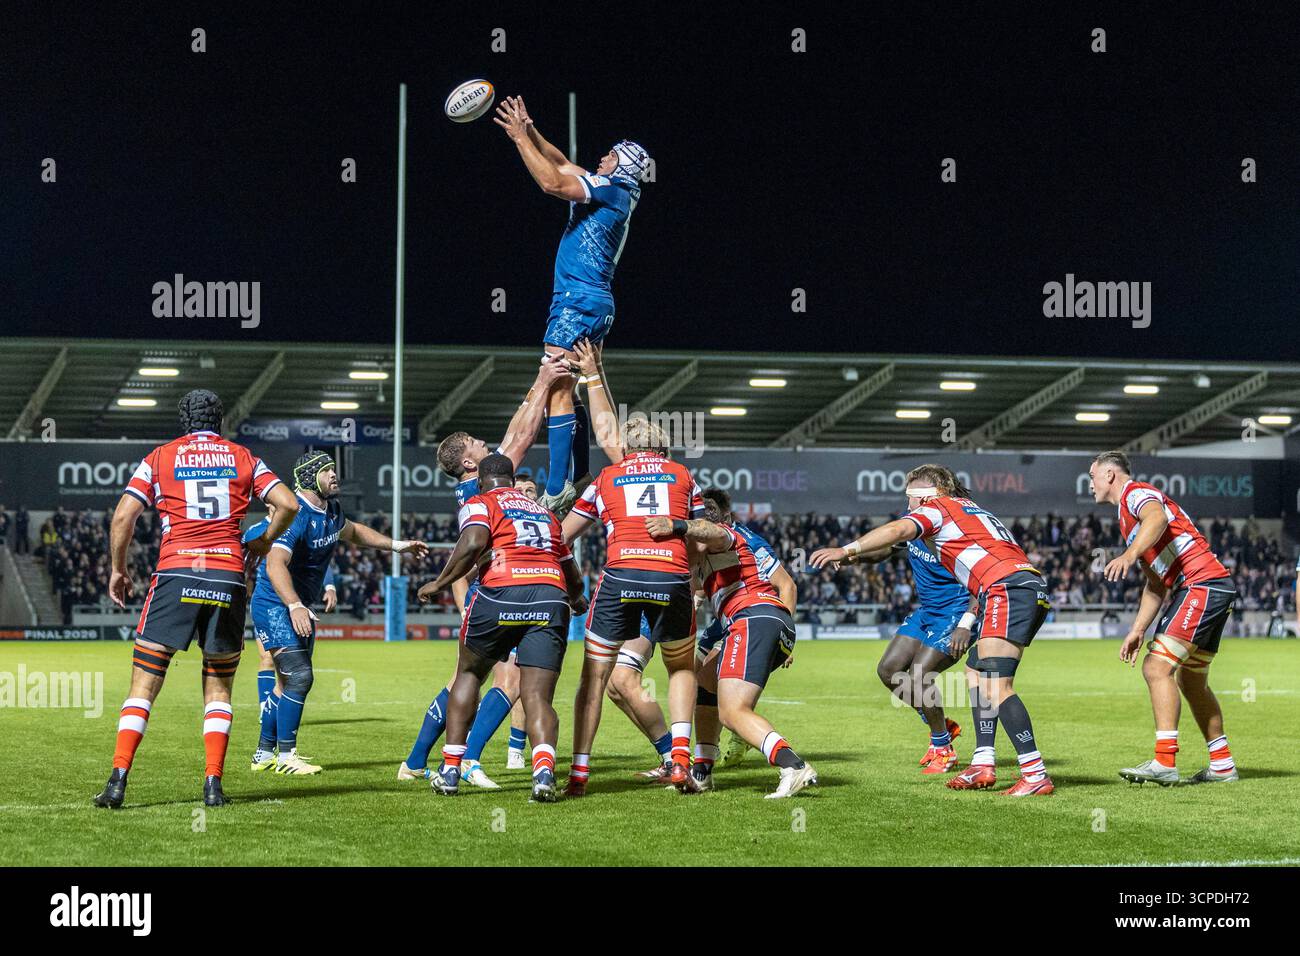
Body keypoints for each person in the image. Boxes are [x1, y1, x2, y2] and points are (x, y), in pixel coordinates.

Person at [93, 389, 299, 809]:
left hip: (176, 572)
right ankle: (212, 786)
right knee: (219, 688)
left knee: (144, 685)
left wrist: (118, 569)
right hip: (226, 576)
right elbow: (288, 504)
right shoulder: (244, 457)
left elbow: (123, 516)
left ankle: (117, 781)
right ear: (219, 419)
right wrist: (261, 542)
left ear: (183, 421)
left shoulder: (159, 458)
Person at [811, 464, 1055, 797]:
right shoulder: (971, 512)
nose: (908, 506)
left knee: (991, 684)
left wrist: (846, 549)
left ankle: (1032, 771)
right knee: (974, 674)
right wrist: (858, 558)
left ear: (926, 496)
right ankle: (982, 763)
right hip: (1017, 586)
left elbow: (897, 532)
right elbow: (899, 545)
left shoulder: (937, 511)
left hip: (994, 594)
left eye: (911, 497)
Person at [398, 355, 569, 788]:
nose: (486, 445)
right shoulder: (481, 485)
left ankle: (424, 761)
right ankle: (462, 759)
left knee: (477, 678)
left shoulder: (476, 490)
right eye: (477, 443)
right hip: (499, 589)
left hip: (494, 590)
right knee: (496, 680)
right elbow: (522, 434)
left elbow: (516, 432)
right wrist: (543, 380)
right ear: (470, 465)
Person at [494, 94, 650, 515]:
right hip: (590, 301)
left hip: (577, 300)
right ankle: (576, 472)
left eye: (611, 155)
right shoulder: (617, 190)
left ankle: (560, 485)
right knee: (570, 390)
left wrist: (517, 141)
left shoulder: (612, 191)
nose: (602, 158)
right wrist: (530, 130)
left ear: (624, 166)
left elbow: (551, 181)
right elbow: (562, 162)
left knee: (557, 389)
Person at [416, 454, 587, 802]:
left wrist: (439, 582)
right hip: (549, 598)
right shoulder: (543, 512)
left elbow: (475, 541)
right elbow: (570, 568)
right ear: (511, 479)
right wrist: (578, 599)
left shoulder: (480, 502)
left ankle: (450, 770)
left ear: (481, 481)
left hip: (500, 594)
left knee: (469, 674)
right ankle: (542, 775)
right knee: (537, 696)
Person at [247, 452, 427, 774]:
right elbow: (274, 565)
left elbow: (355, 532)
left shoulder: (331, 511)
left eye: (333, 469)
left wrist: (398, 546)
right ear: (309, 477)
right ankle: (287, 757)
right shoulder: (295, 514)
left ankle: (263, 754)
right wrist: (294, 605)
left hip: (300, 605)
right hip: (275, 604)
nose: (334, 475)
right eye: (327, 470)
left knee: (284, 684)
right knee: (300, 677)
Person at [559, 418, 704, 795]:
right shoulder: (683, 475)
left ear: (626, 448)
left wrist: (572, 583)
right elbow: (701, 538)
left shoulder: (607, 477)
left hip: (620, 576)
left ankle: (578, 774)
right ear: (662, 447)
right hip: (672, 577)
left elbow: (562, 537)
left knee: (594, 678)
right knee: (679, 668)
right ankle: (680, 762)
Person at [1089, 451, 1240, 785]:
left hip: (1202, 584)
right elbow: (1156, 584)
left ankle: (1164, 762)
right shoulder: (1127, 518)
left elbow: (1156, 519)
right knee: (1191, 679)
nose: (1090, 484)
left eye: (1092, 476)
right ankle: (1223, 764)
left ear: (1111, 474)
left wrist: (1128, 555)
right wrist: (1137, 630)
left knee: (1156, 667)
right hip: (1213, 586)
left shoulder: (1136, 493)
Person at [650, 488, 812, 797]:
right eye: (701, 509)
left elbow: (785, 583)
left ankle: (793, 765)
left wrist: (675, 524)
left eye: (711, 510)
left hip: (752, 619)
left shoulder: (724, 534)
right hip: (762, 619)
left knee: (732, 711)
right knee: (705, 683)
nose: (705, 514)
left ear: (725, 516)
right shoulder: (718, 547)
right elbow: (696, 578)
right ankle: (703, 770)